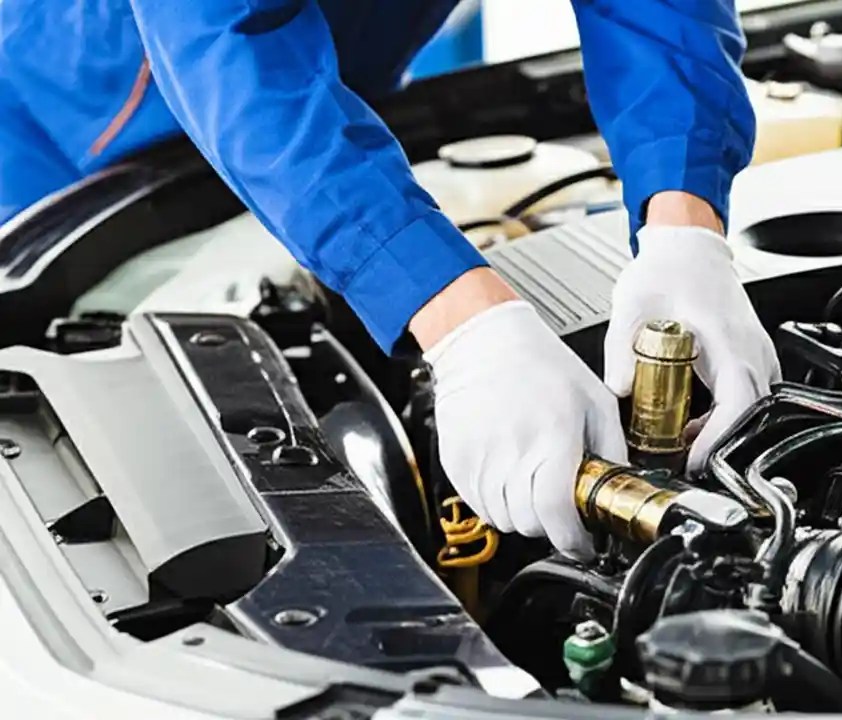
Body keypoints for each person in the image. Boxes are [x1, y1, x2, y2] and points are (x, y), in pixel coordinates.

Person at [0, 0, 780, 558]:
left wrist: (684, 224)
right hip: (69, 132)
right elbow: (228, 47)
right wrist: (468, 325)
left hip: (342, 73)